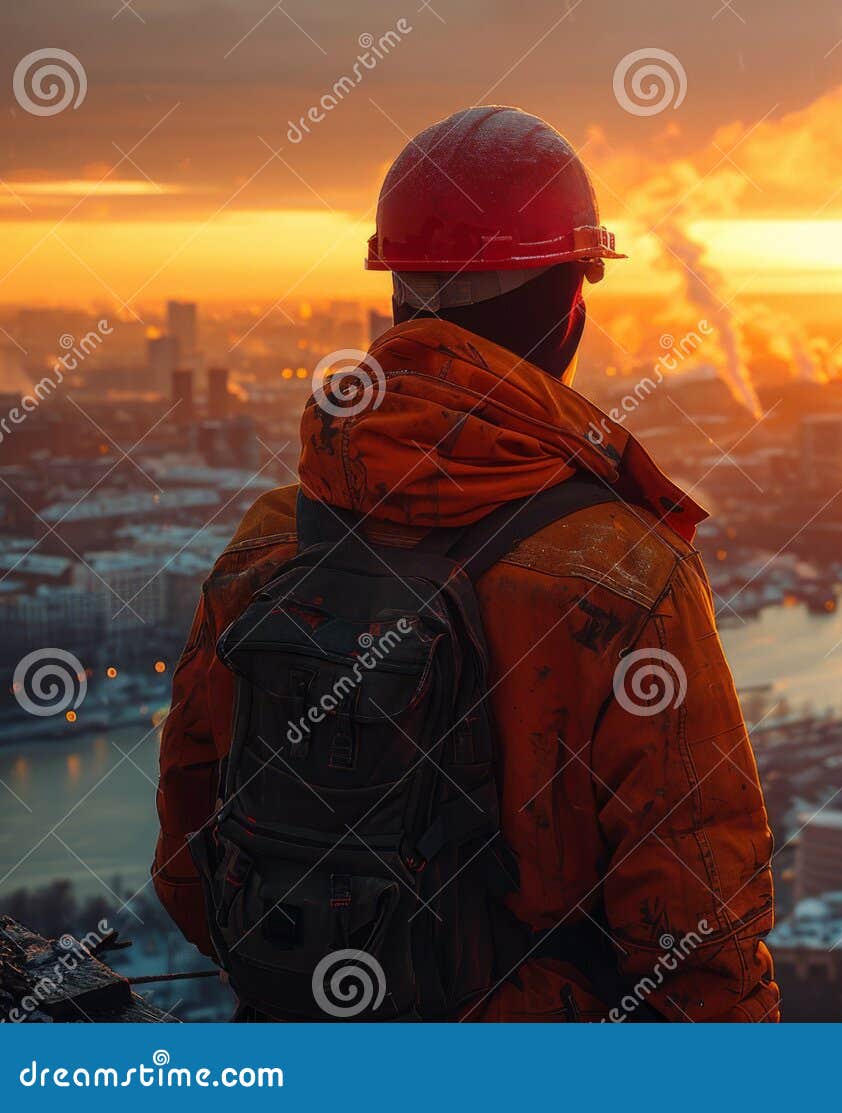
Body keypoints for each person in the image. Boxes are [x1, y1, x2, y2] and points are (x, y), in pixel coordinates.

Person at [152, 105, 779, 1022]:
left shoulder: (267, 544)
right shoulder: (624, 579)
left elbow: (190, 867)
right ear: (572, 302)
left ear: (396, 299)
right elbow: (699, 941)